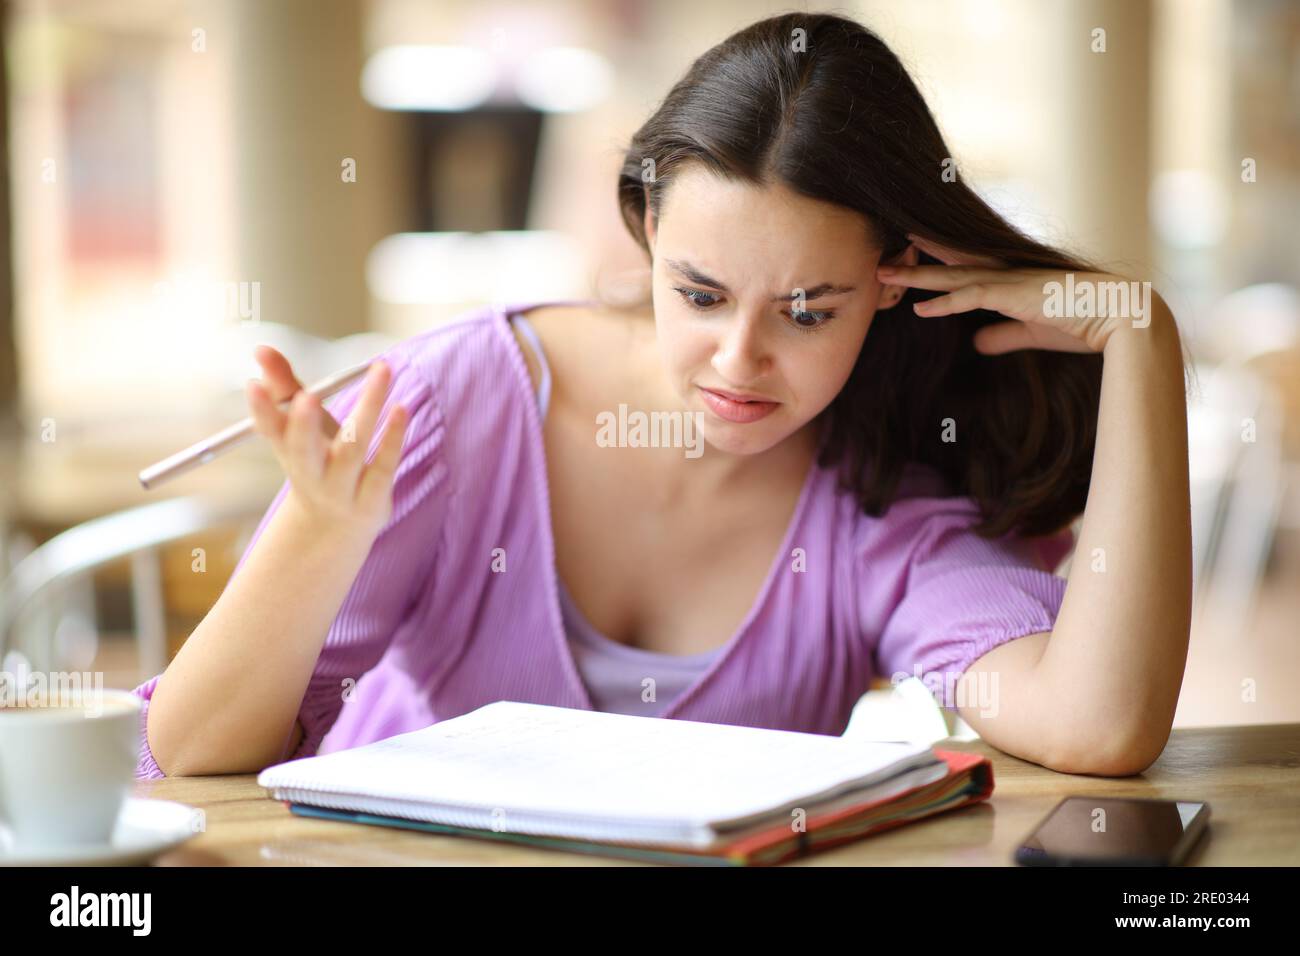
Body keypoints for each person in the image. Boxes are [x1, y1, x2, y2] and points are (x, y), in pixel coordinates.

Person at [133, 11, 1193, 779]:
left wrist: (1142, 339)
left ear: (890, 283)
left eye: (809, 310)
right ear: (644, 230)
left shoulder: (882, 492)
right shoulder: (452, 406)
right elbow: (188, 751)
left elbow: (1096, 727)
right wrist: (318, 533)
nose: (739, 358)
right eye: (699, 293)